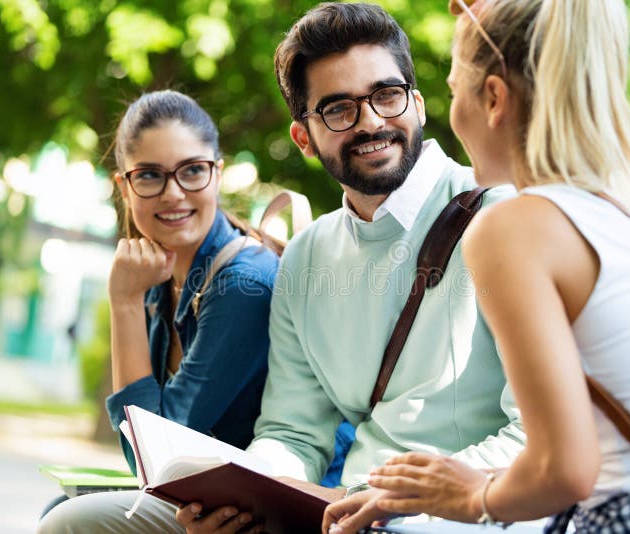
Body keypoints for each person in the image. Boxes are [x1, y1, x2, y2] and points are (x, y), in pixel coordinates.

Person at [326, 0, 630, 532]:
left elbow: (563, 470)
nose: (453, 116)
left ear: (493, 98)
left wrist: (466, 494)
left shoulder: (513, 228)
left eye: (455, 91)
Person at [176, 3, 523, 533]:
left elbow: (535, 435)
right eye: (339, 109)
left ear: (419, 104)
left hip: (462, 514)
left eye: (387, 95)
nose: (371, 122)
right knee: (81, 521)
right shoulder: (306, 257)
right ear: (303, 138)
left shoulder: (506, 217)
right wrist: (244, 497)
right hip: (344, 513)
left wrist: (395, 501)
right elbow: (294, 433)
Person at [38, 90, 280, 532]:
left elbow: (153, 458)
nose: (173, 194)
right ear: (123, 187)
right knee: (57, 506)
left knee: (66, 524)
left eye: (192, 171)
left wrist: (124, 303)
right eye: (149, 175)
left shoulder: (241, 283)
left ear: (218, 175)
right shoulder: (160, 276)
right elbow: (150, 460)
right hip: (206, 500)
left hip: (265, 508)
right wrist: (135, 297)